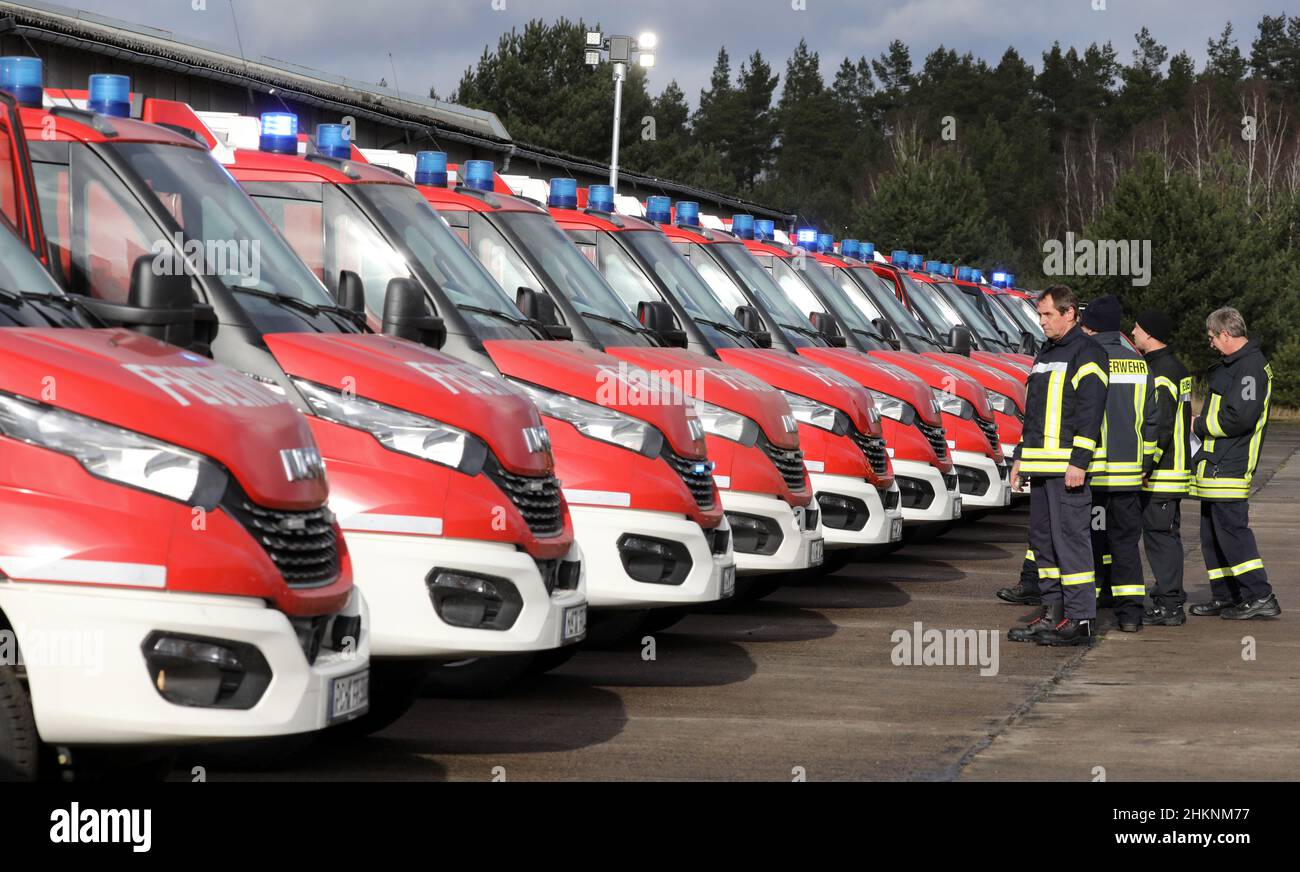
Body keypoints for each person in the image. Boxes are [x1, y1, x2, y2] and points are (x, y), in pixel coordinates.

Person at [1007, 285, 1109, 646]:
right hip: (1041, 464)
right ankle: (1053, 613)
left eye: (1048, 315)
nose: (1042, 322)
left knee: (1071, 543)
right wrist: (1020, 456)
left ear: (1070, 314)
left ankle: (1079, 619)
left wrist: (1080, 461)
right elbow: (1034, 413)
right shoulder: (1047, 352)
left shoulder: (1088, 352)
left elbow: (1090, 412)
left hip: (1067, 467)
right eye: (1040, 315)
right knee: (1044, 543)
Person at [1189, 307, 1280, 619]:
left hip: (1230, 465)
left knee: (1232, 534)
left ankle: (1259, 595)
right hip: (1216, 465)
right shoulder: (1236, 365)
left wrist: (1198, 425)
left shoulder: (1251, 368)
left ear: (1226, 335)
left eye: (1213, 337)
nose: (1211, 342)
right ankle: (1226, 595)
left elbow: (1240, 418)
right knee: (1212, 535)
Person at [1078, 295, 1157, 633]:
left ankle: (1089, 608)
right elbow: (1152, 420)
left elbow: (1078, 417)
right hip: (1130, 474)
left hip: (1092, 472)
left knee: (1091, 542)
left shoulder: (1087, 359)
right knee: (1126, 544)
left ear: (1090, 327)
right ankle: (1131, 614)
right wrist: (1146, 462)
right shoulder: (1140, 364)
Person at [1132, 309, 1192, 626]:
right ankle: (1169, 596)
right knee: (1165, 535)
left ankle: (1169, 605)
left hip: (1163, 472)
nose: (1133, 331)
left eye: (1138, 328)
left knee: (1160, 537)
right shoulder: (1172, 367)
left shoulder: (1162, 372)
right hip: (1173, 468)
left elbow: (1161, 426)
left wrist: (1146, 464)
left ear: (1151, 333)